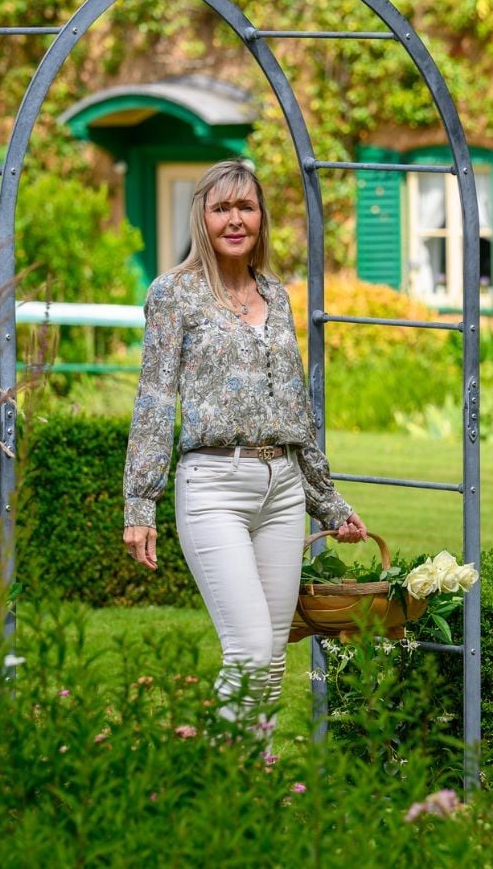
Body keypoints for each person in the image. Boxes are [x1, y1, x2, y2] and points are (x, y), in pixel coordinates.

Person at [122, 159, 367, 741]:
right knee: (251, 649)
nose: (235, 220)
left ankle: (246, 794)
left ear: (261, 216)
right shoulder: (173, 294)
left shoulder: (276, 296)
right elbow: (155, 399)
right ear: (201, 217)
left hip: (281, 489)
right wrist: (139, 503)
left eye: (246, 207)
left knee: (273, 659)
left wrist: (327, 504)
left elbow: (295, 409)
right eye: (221, 208)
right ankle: (211, 780)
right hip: (213, 486)